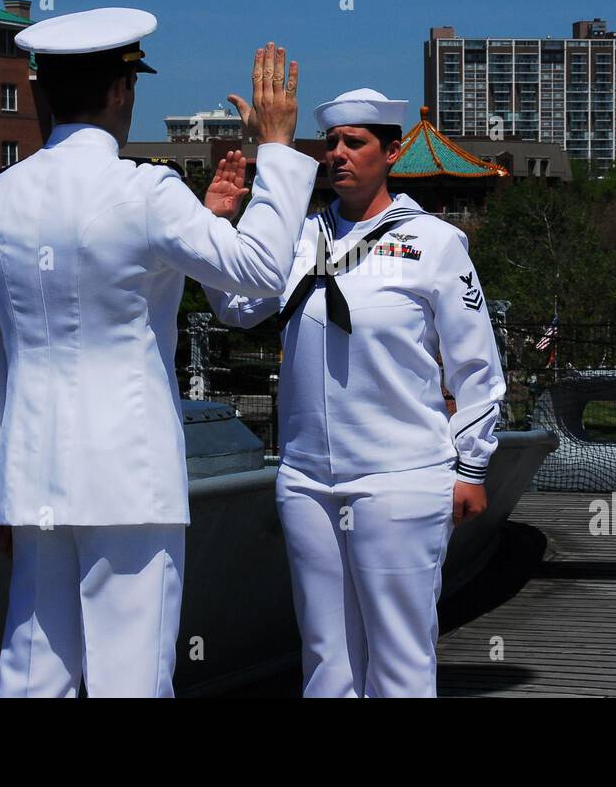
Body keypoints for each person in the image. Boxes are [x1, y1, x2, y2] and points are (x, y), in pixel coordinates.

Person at [0, 7, 319, 697]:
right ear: (122, 91)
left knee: (32, 674)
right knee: (131, 678)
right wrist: (280, 151)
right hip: (129, 480)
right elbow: (261, 270)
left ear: (42, 93)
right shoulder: (146, 191)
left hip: (30, 477)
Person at [203, 88, 506, 697]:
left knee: (398, 659)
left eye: (355, 143)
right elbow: (237, 309)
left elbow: (477, 367)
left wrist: (472, 465)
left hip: (400, 477)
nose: (338, 155)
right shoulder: (294, 238)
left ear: (392, 151)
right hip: (308, 477)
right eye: (332, 144)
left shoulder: (434, 244)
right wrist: (218, 227)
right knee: (325, 660)